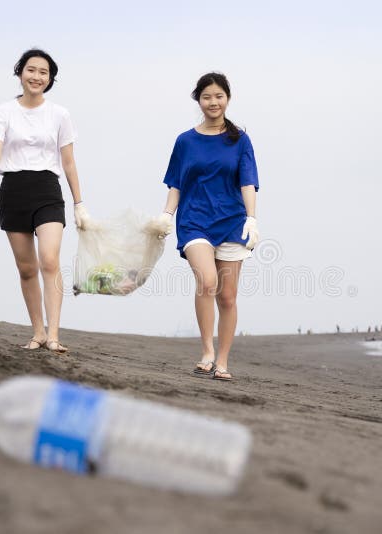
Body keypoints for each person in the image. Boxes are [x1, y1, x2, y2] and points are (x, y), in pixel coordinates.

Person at [148, 72, 260, 381]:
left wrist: (252, 217)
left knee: (227, 297)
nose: (213, 101)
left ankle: (222, 361)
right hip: (194, 220)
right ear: (199, 100)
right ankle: (207, 351)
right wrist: (166, 215)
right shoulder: (185, 141)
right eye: (207, 96)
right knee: (207, 282)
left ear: (227, 99)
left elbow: (248, 182)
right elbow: (176, 183)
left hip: (231, 221)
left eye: (219, 96)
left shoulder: (239, 140)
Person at [0, 48, 91, 354]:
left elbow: (68, 162)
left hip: (47, 189)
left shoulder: (59, 114)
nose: (37, 77)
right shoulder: (4, 112)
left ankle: (54, 333)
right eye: (31, 70)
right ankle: (38, 332)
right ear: (20, 72)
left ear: (50, 79)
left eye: (44, 72)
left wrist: (79, 203)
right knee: (26, 268)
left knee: (50, 260)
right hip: (13, 188)